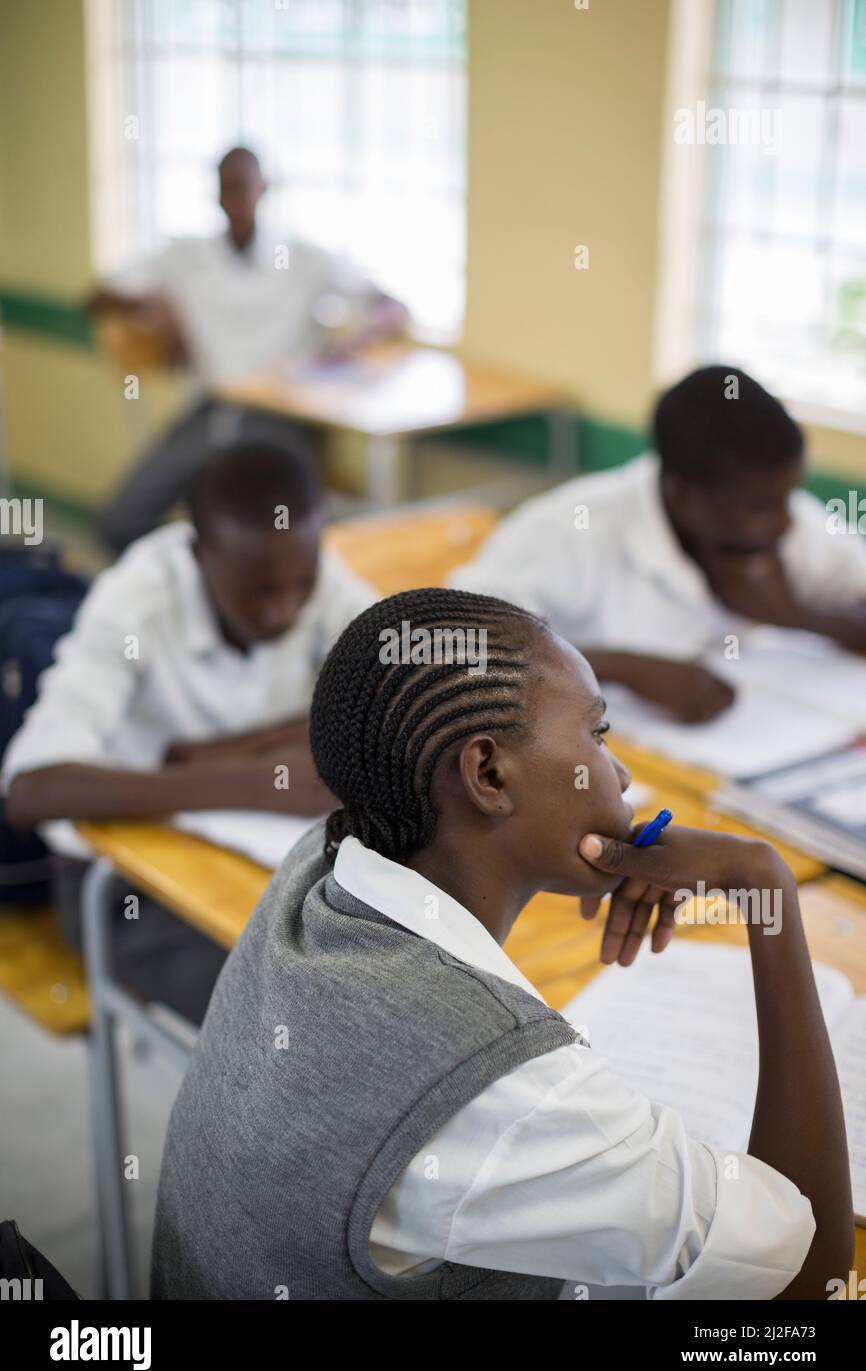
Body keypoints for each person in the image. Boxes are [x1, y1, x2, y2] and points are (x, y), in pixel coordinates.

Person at [150, 588, 851, 1299]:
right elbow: (809, 1278)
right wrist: (766, 890)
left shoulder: (323, 862)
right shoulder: (499, 1092)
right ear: (487, 774)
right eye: (598, 736)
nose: (624, 775)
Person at [1, 442, 376, 1025]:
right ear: (199, 555)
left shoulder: (308, 572)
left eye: (300, 586)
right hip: (120, 890)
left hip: (260, 865)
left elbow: (396, 686)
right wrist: (252, 782)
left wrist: (199, 759)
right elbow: (30, 789)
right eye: (259, 592)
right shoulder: (134, 606)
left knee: (393, 971)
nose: (284, 611)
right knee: (305, 1016)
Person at [452, 367, 866, 724]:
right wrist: (618, 667)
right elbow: (452, 654)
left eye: (789, 497)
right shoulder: (566, 532)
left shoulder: (783, 518)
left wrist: (792, 614)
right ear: (683, 493)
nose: (783, 523)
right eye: (759, 509)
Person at [88, 146, 409, 553]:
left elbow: (392, 307)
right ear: (216, 195)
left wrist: (352, 343)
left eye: (244, 186)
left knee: (273, 536)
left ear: (264, 189)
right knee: (120, 520)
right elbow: (98, 297)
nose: (236, 199)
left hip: (280, 419)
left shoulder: (303, 257)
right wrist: (159, 309)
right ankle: (195, 581)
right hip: (210, 413)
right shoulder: (184, 256)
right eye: (226, 188)